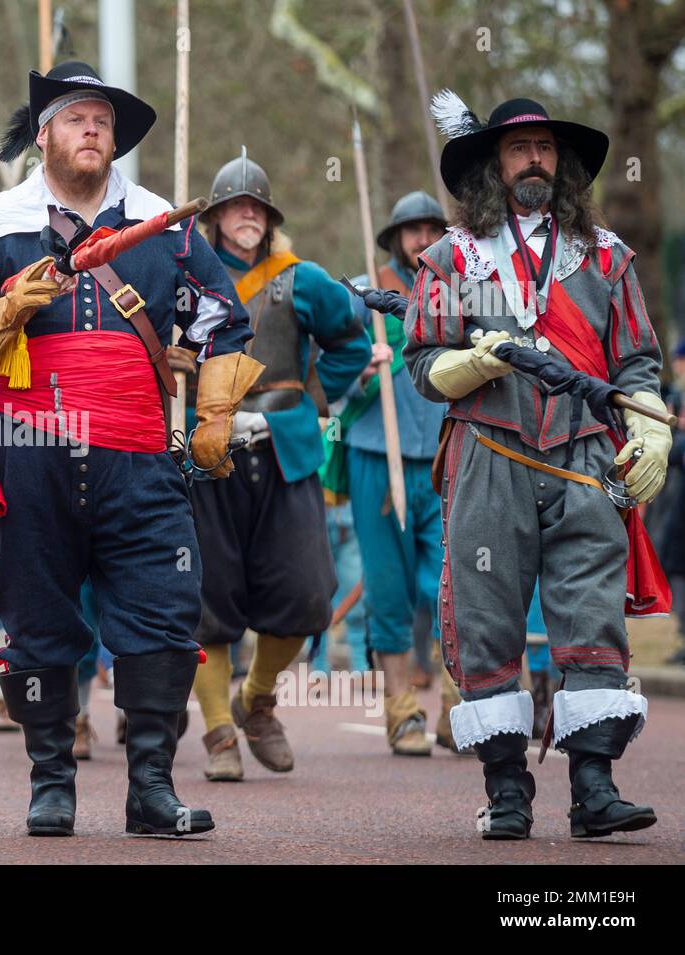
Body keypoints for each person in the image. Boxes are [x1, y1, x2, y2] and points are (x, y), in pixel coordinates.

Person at [0, 62, 256, 836]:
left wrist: (214, 411)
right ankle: (51, 783)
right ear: (44, 137)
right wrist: (1, 306)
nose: (93, 128)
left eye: (102, 118)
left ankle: (151, 789)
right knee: (36, 619)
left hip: (139, 453)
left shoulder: (164, 224)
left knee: (165, 613)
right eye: (76, 117)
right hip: (27, 451)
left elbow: (224, 321)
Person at [407, 93, 666, 839]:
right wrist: (469, 361)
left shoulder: (608, 257)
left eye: (546, 148)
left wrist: (652, 431)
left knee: (591, 611)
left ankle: (593, 789)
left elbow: (639, 359)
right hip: (489, 450)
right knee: (486, 616)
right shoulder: (451, 259)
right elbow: (423, 365)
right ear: (494, 163)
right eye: (520, 149)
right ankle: (507, 789)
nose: (535, 161)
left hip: (586, 454)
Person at [189, 150, 370, 781]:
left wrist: (314, 403)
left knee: (303, 591)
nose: (246, 214)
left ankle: (257, 700)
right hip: (205, 456)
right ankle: (217, 734)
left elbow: (352, 342)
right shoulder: (186, 276)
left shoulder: (303, 279)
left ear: (268, 218)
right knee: (205, 603)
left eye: (256, 207)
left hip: (284, 448)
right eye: (235, 206)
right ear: (214, 217)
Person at [335, 190, 454, 756]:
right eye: (414, 230)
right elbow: (326, 374)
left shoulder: (463, 294)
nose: (424, 239)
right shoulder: (362, 293)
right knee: (386, 588)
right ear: (395, 239)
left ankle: (462, 707)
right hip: (374, 456)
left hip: (446, 458)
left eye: (434, 228)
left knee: (455, 585)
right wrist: (362, 368)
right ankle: (402, 713)